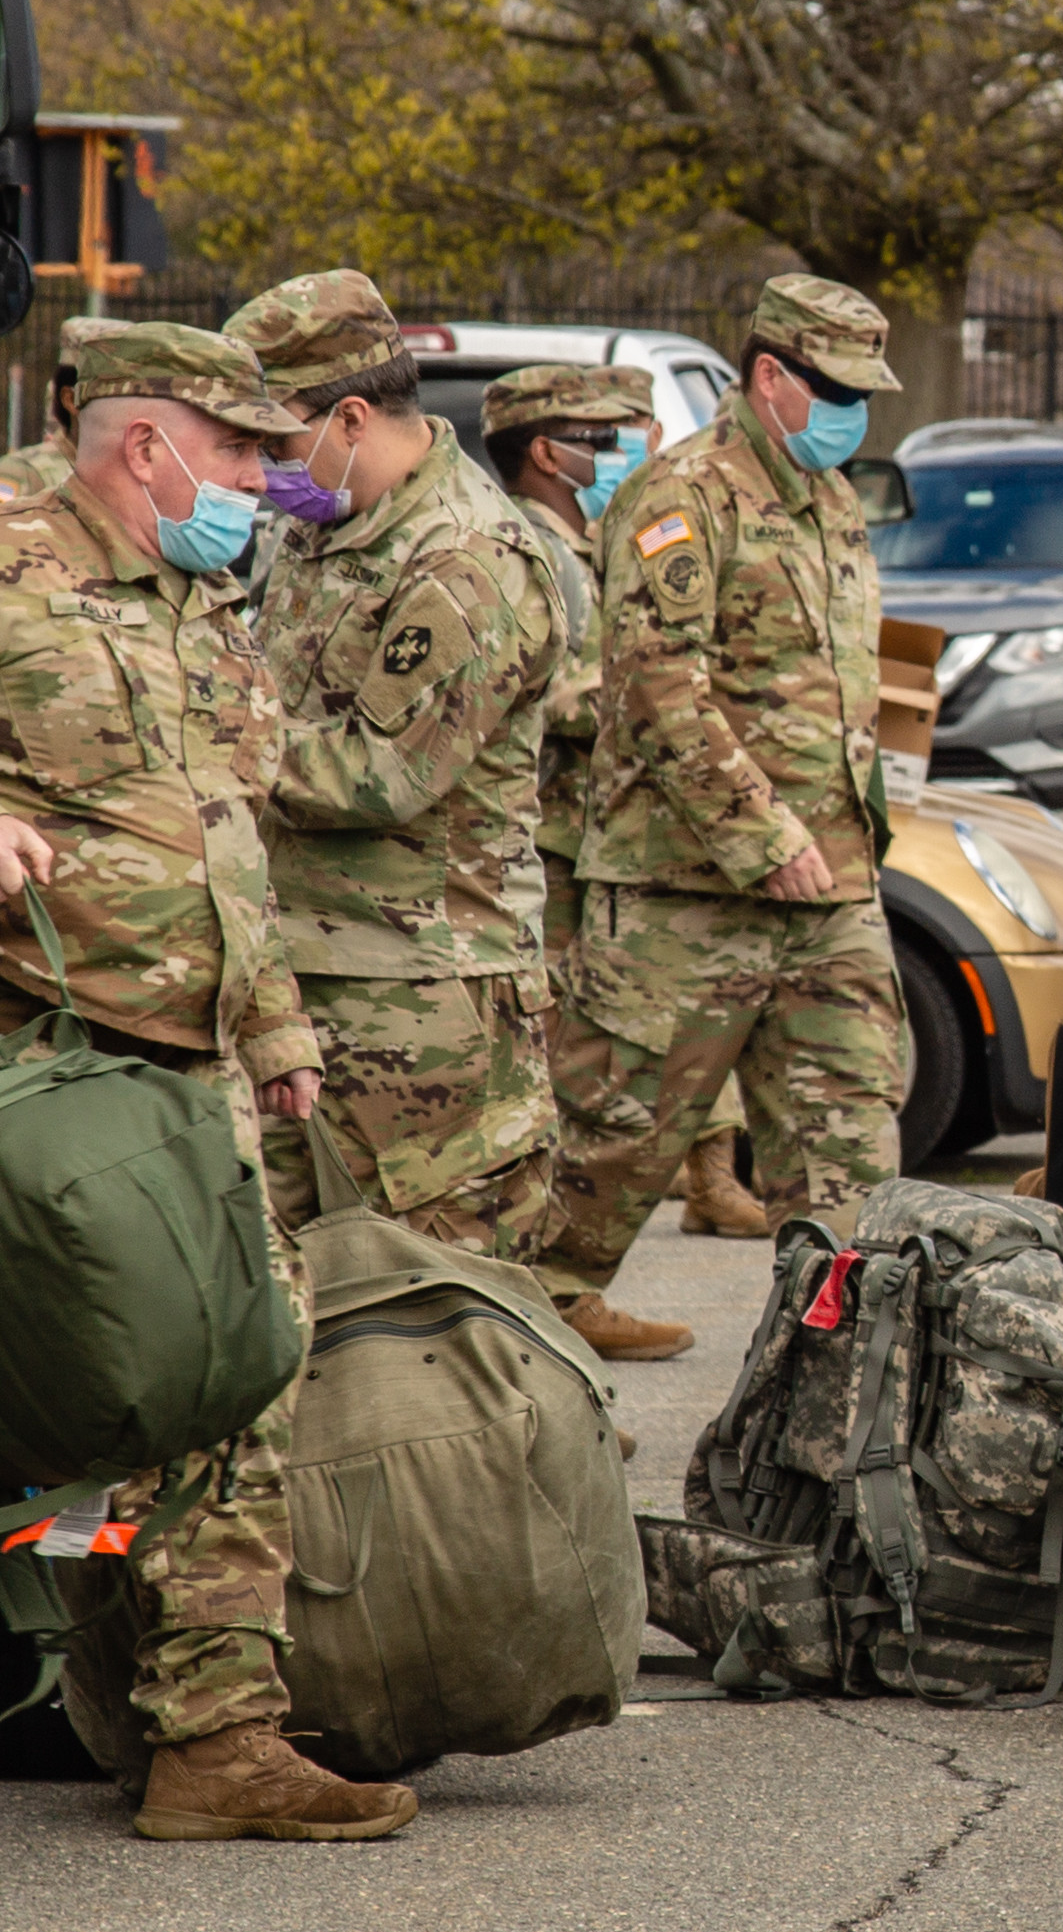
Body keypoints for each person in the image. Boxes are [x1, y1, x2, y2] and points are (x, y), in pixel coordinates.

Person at [0, 319, 413, 1847]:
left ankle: (219, 1741)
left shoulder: (195, 596)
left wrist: (276, 1036)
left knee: (242, 1367)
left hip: (186, 1071)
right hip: (18, 1059)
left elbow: (218, 840)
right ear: (147, 445)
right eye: (241, 451)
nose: (262, 479)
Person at [542, 274, 914, 1305]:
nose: (855, 415)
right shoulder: (682, 495)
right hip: (686, 901)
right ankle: (517, 1401)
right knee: (599, 1171)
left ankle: (838, 1419)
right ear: (768, 375)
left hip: (831, 900)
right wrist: (764, 836)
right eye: (836, 389)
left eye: (865, 394)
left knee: (857, 1197)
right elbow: (659, 688)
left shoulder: (834, 504)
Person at [224, 274, 575, 1257]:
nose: (261, 472)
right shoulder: (320, 522)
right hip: (305, 975)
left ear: (349, 414)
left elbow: (380, 776)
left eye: (276, 445)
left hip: (426, 1006)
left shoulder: (469, 558)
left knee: (446, 1311)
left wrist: (200, 732)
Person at [480, 359, 700, 1360]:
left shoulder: (586, 541)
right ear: (548, 452)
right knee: (560, 1083)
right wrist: (646, 699)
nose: (636, 452)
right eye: (612, 436)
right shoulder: (533, 549)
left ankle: (557, 1300)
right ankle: (539, 1309)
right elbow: (544, 692)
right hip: (552, 846)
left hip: (589, 841)